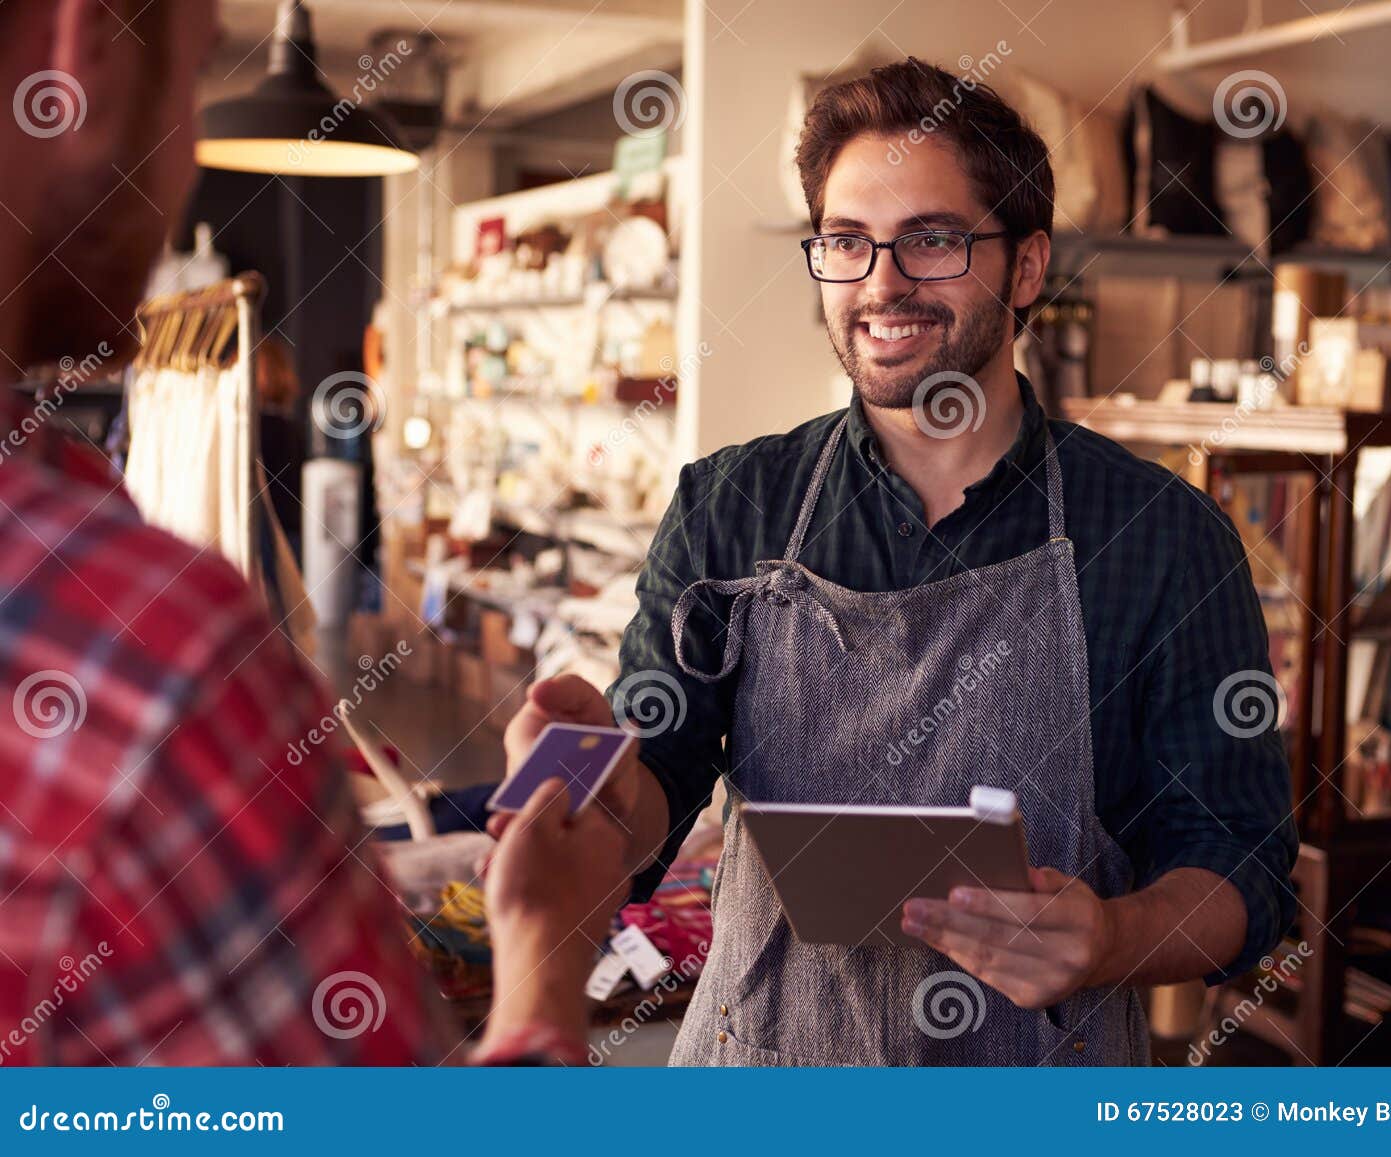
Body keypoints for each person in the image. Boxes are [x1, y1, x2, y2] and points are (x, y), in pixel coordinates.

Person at [515, 57, 1299, 1065]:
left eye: (932, 239)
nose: (880, 283)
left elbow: (1242, 865)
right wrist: (590, 781)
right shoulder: (730, 506)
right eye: (846, 242)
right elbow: (653, 792)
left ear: (1025, 267)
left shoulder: (1161, 535)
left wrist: (1109, 937)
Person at [0, 0, 619, 1065]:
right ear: (79, 51)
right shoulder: (142, 656)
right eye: (189, 79)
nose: (183, 154)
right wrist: (543, 944)